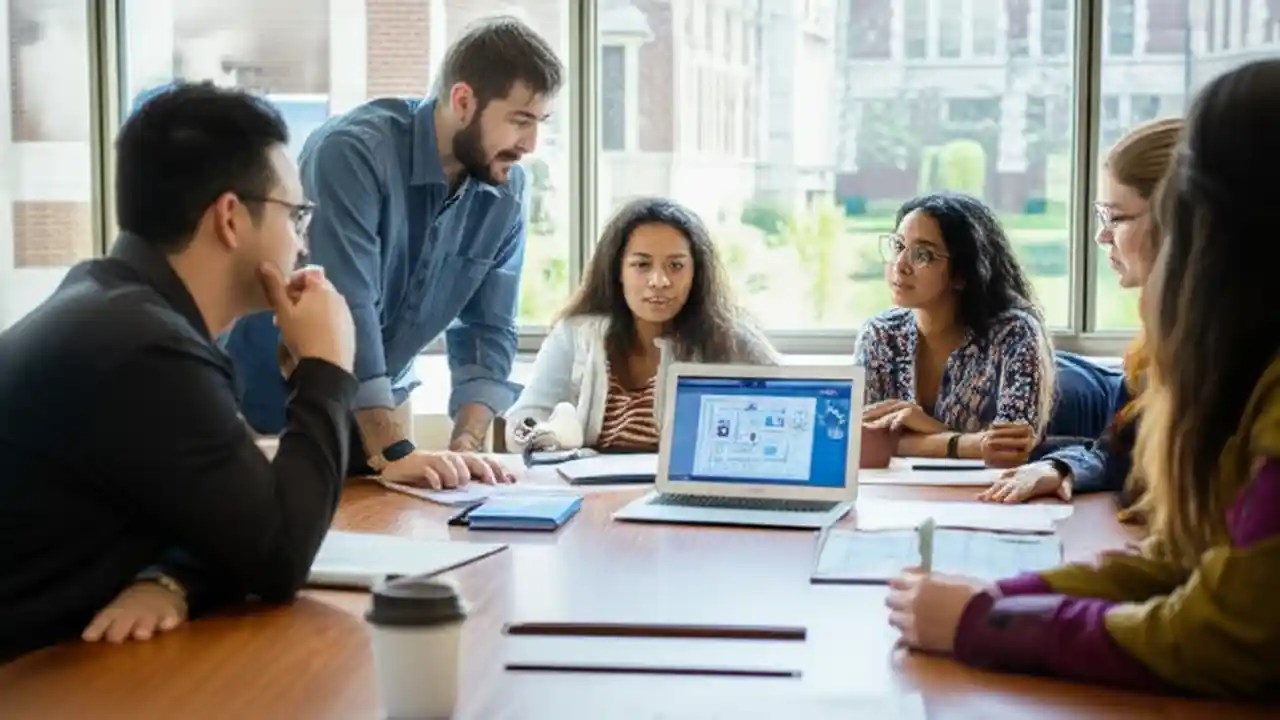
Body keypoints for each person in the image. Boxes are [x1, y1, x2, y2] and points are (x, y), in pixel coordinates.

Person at [886, 59, 1280, 698]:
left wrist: (989, 620)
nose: (1102, 236)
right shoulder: (1227, 352)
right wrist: (1003, 596)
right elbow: (1184, 563)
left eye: (1119, 217)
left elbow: (1228, 633)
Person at [0, 83, 367, 660]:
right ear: (229, 218)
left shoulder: (111, 303)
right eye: (296, 215)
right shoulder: (145, 349)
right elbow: (279, 556)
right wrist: (326, 365)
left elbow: (225, 516)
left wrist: (171, 578)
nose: (303, 241)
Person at [224, 16, 563, 487]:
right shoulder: (352, 153)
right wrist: (394, 447)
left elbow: (488, 329)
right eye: (519, 121)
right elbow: (350, 308)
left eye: (539, 123)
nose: (530, 145)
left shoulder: (507, 190)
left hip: (364, 423)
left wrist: (465, 446)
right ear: (464, 101)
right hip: (261, 413)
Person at [980, 117, 1183, 503]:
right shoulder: (1157, 346)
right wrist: (1058, 467)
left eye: (1116, 218)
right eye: (1100, 216)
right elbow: (1119, 452)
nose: (1101, 235)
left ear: (1178, 222)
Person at [504, 198, 778, 453]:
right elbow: (520, 424)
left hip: (687, 497)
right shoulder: (574, 334)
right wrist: (548, 434)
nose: (659, 280)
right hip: (591, 498)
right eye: (641, 265)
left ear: (697, 272)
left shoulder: (729, 337)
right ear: (618, 271)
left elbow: (796, 405)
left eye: (676, 266)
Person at [855, 193, 1055, 466]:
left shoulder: (1015, 334)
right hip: (899, 494)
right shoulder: (880, 334)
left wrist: (921, 426)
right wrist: (965, 443)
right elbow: (863, 441)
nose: (900, 266)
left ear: (962, 274)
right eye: (898, 246)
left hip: (991, 497)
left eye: (922, 254)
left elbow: (1009, 452)